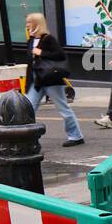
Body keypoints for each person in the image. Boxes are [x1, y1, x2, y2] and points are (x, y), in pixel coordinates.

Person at [23, 13, 84, 147]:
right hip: (36, 80)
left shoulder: (48, 39)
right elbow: (30, 64)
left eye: (29, 22)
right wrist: (27, 83)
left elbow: (60, 55)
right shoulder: (31, 41)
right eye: (27, 22)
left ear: (37, 23)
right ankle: (27, 138)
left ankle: (76, 136)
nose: (27, 25)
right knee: (27, 109)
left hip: (50, 79)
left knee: (63, 108)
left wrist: (41, 53)